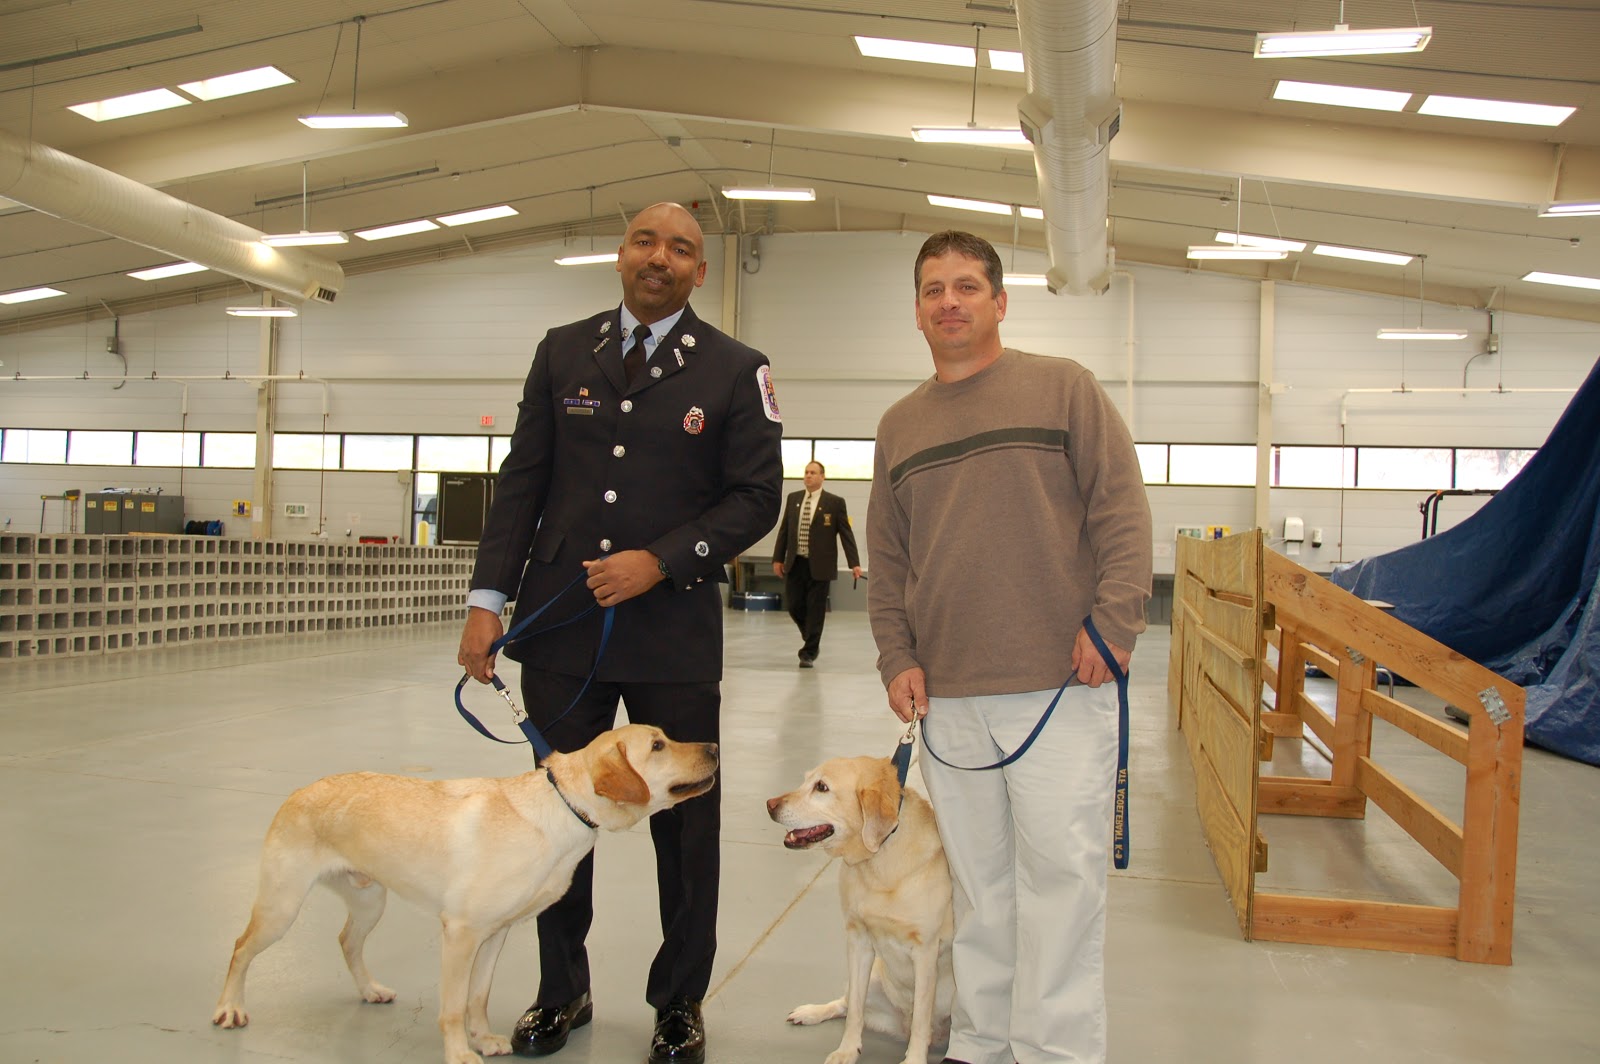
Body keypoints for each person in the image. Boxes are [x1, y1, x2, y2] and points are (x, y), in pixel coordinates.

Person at [458, 202, 783, 1064]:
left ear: (700, 272)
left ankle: (679, 1001)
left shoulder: (734, 369)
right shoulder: (562, 350)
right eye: (646, 241)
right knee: (557, 820)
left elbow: (756, 498)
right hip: (564, 627)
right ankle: (562, 990)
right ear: (619, 253)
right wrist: (488, 601)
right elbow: (521, 481)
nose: (660, 258)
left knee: (687, 826)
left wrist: (663, 560)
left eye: (681, 248)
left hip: (673, 631)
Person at [866, 231, 1152, 1064]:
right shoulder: (899, 426)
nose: (948, 301)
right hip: (946, 696)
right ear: (917, 311)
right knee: (980, 891)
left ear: (999, 301)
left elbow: (1122, 514)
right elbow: (887, 561)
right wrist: (897, 656)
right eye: (931, 290)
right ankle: (982, 1044)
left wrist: (1115, 623)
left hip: (1061, 685)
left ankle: (1056, 1053)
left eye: (965, 286)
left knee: (1061, 886)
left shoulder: (1065, 391)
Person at [771, 460, 862, 667]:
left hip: (821, 565)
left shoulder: (835, 503)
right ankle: (810, 636)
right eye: (806, 472)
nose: (808, 476)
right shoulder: (793, 499)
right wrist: (778, 558)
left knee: (816, 610)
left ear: (822, 477)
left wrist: (854, 563)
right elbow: (784, 530)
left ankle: (809, 652)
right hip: (796, 563)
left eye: (813, 473)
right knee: (794, 606)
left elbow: (846, 535)